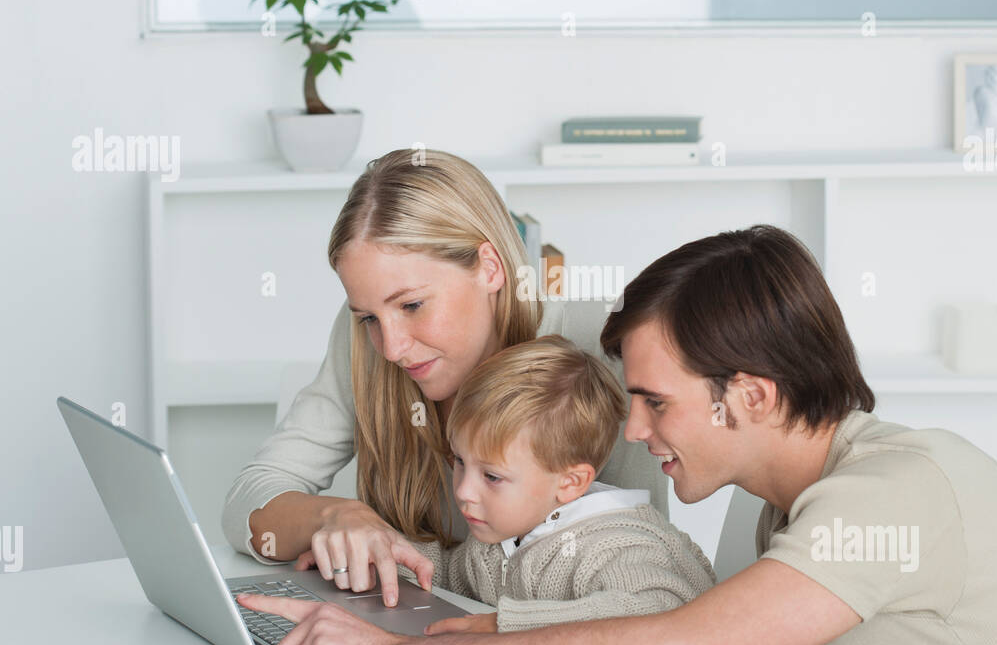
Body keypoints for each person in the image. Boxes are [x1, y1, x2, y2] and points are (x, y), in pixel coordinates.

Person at [237, 224, 997, 645]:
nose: (636, 428)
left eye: (655, 402)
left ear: (749, 397)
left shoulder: (896, 495)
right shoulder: (790, 515)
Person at [221, 147, 665, 608]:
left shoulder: (606, 348)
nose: (391, 348)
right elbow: (247, 503)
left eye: (412, 305)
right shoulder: (365, 337)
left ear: (489, 267)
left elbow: (637, 585)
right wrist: (335, 517)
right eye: (368, 317)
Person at [405, 334, 715, 635]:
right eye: (460, 461)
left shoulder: (618, 544)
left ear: (570, 483)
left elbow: (656, 616)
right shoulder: (495, 544)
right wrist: (387, 556)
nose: (463, 491)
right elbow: (442, 574)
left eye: (492, 476)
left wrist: (508, 626)